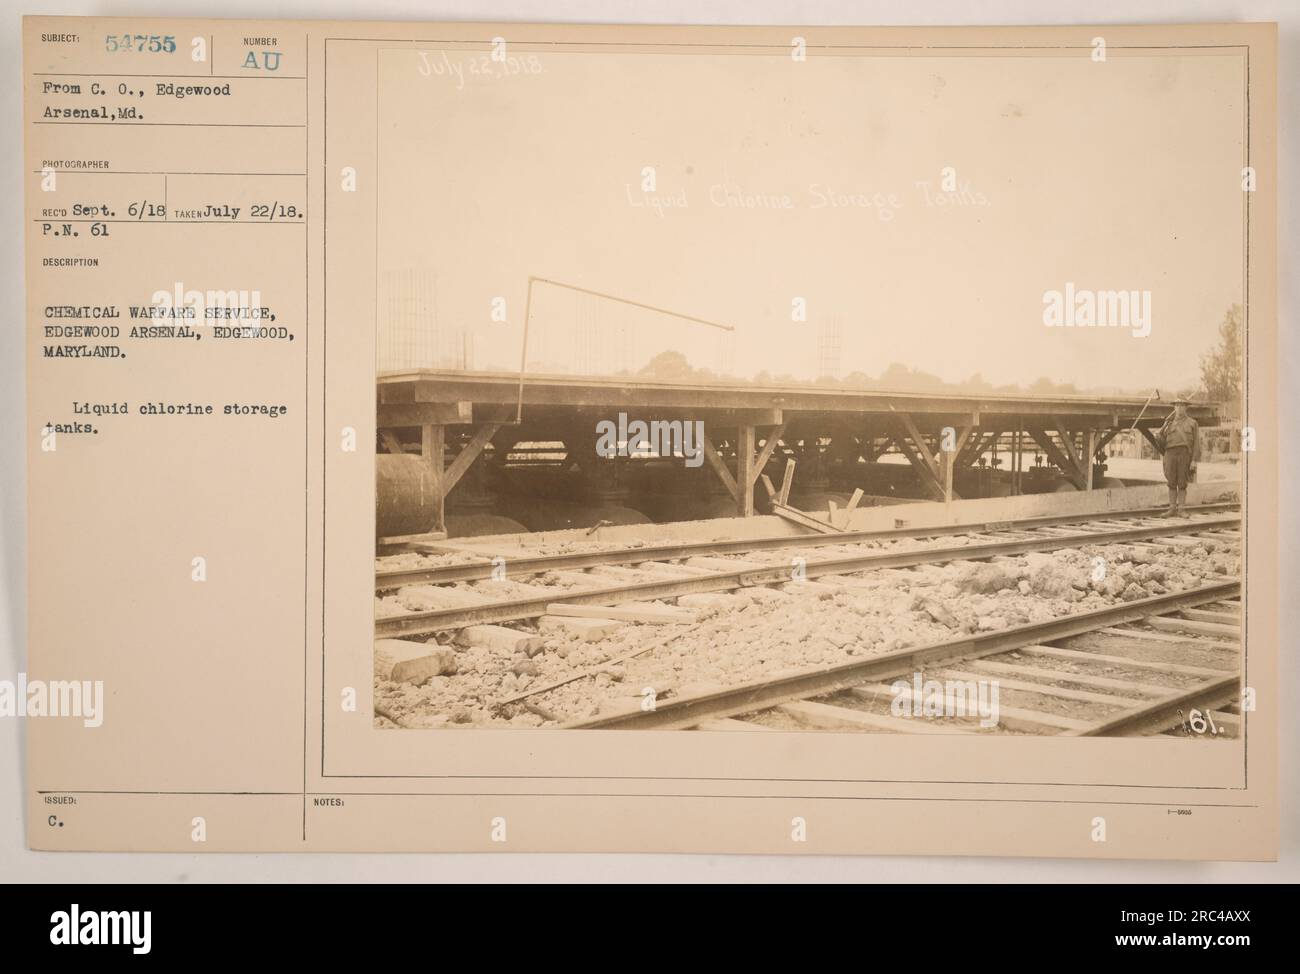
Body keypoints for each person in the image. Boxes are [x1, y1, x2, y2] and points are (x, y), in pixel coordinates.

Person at [1153, 396, 1199, 516]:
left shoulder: (1192, 423)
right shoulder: (1168, 424)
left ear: (1186, 407)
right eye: (1177, 405)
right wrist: (1158, 436)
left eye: (1182, 405)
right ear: (1174, 407)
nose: (1179, 408)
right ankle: (1172, 508)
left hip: (1184, 454)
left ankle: (1181, 509)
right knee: (1171, 481)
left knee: (1182, 482)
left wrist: (1194, 460)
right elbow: (1162, 444)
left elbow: (1196, 444)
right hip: (1170, 454)